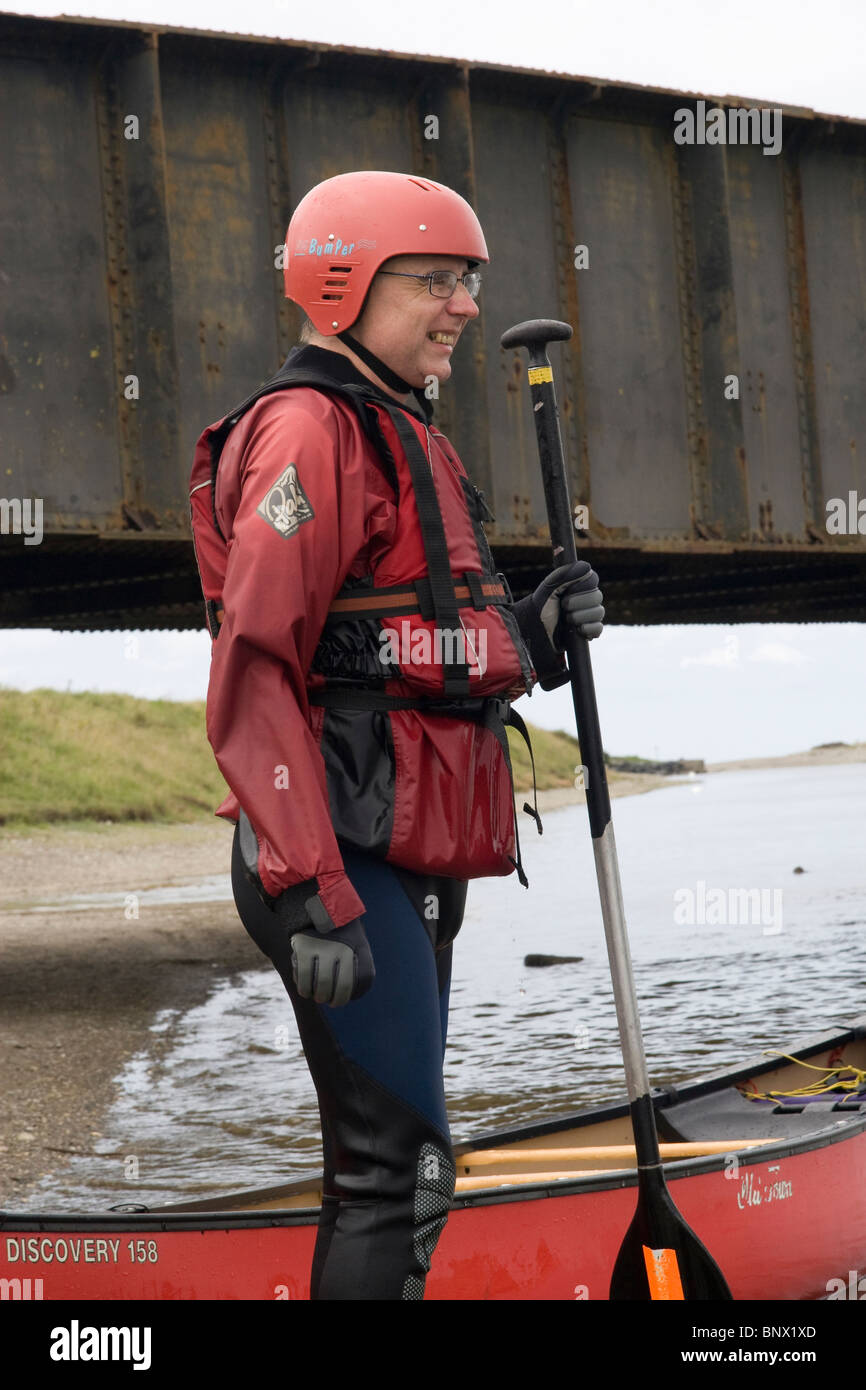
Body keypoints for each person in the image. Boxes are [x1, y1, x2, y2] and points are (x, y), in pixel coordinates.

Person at [189, 170, 605, 1300]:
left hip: (405, 839)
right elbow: (256, 665)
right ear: (342, 285)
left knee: (389, 1164)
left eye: (468, 279)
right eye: (434, 280)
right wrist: (308, 879)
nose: (464, 304)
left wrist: (534, 633)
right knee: (401, 1172)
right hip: (331, 848)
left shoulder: (403, 431)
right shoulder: (307, 435)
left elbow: (416, 650)